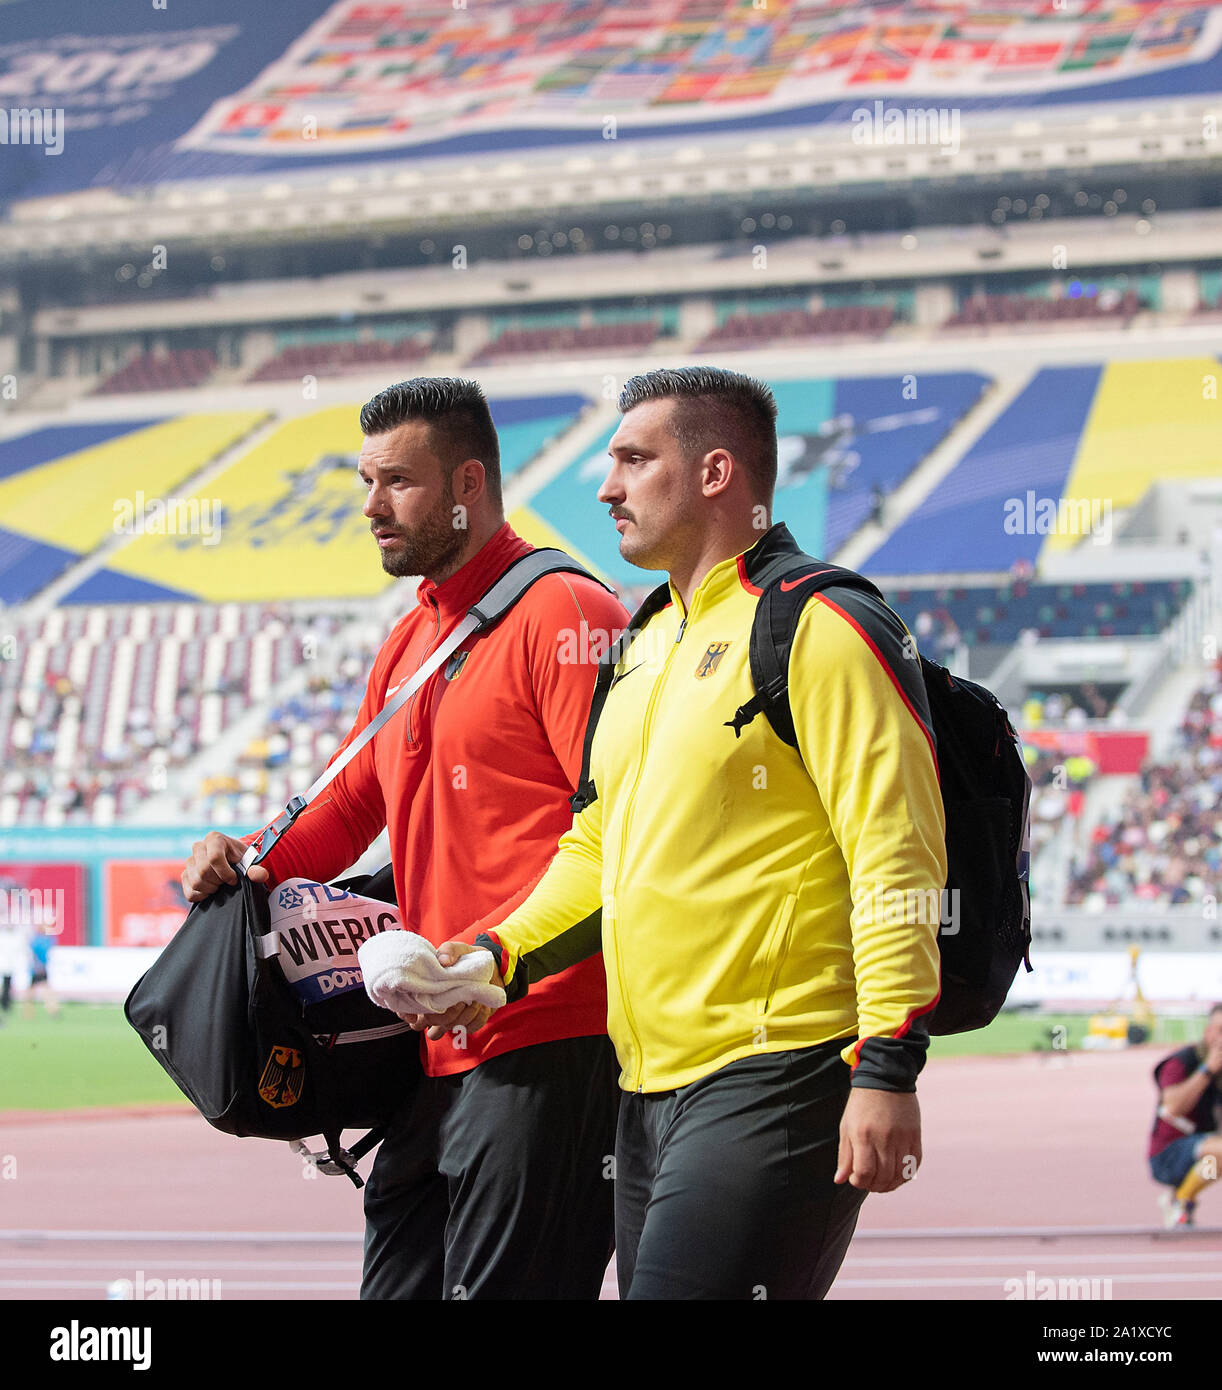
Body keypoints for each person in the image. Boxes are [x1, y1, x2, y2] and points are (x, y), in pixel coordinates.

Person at [440, 365, 947, 1299]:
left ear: (715, 474)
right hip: (645, 1087)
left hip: (781, 1068)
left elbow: (897, 852)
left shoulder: (821, 624)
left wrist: (888, 1064)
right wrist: (494, 955)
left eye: (634, 460)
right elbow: (597, 848)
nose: (605, 487)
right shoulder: (642, 643)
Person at [181, 377, 628, 1300]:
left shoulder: (569, 617)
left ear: (470, 482)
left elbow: (619, 831)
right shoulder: (412, 638)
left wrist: (506, 960)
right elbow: (348, 806)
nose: (373, 508)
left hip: (549, 1030)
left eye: (398, 483)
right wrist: (250, 861)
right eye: (365, 482)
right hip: (435, 1043)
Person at [1149, 1004, 1222, 1227]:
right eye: (1220, 1031)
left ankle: (1182, 1199)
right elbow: (1173, 1107)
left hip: (1206, 1155)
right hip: (1167, 1156)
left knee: (1216, 1159)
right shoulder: (1181, 1063)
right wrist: (1208, 1069)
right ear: (1207, 1032)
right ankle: (1180, 1199)